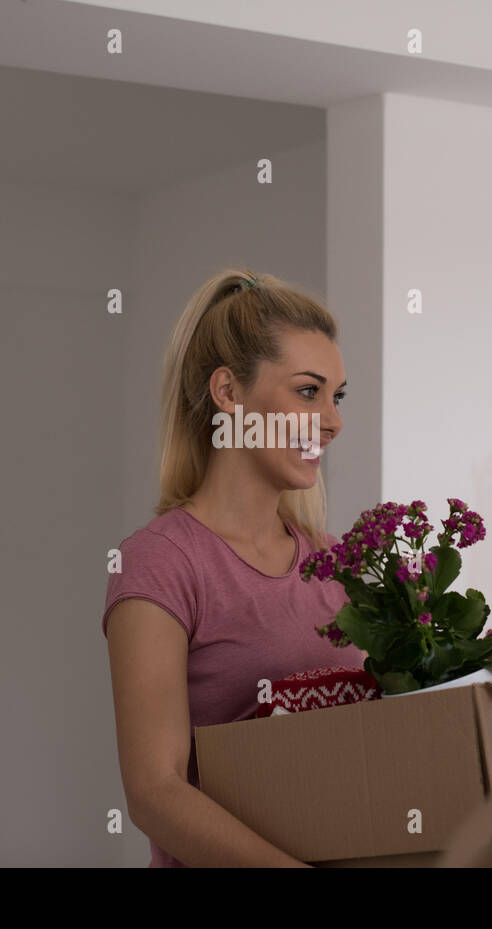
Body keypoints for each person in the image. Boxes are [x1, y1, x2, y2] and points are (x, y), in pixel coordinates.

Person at [100, 268, 365, 867]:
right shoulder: (161, 564)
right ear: (229, 393)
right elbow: (154, 793)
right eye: (308, 391)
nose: (333, 420)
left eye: (337, 395)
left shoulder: (338, 563)